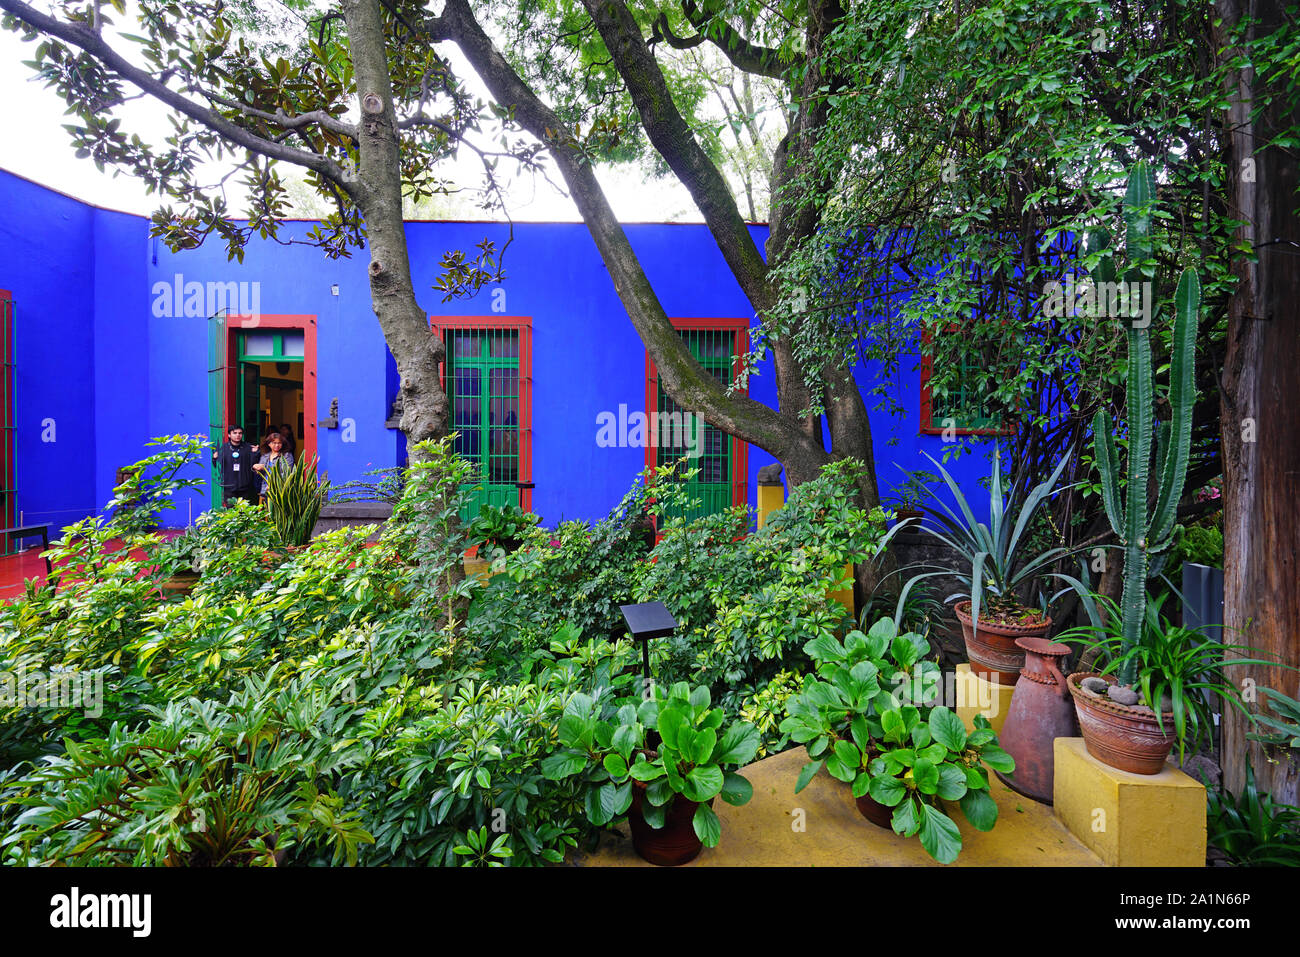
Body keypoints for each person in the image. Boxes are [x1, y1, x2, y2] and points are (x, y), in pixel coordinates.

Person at [212, 426, 259, 507]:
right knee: (231, 512)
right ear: (229, 435)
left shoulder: (248, 447)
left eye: (240, 433)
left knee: (244, 512)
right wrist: (214, 458)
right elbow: (217, 467)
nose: (238, 435)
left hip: (245, 486)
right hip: (229, 487)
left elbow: (254, 466)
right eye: (235, 433)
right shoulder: (223, 448)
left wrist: (255, 454)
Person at [253, 431, 294, 503]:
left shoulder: (286, 455)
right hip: (265, 488)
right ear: (269, 444)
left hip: (280, 489)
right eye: (274, 443)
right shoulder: (265, 456)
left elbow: (286, 472)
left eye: (279, 443)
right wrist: (255, 467)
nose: (277, 445)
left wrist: (274, 484)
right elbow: (260, 472)